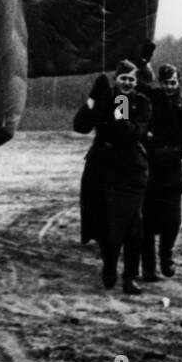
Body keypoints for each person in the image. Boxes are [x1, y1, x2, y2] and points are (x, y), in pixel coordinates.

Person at [73, 58, 151, 295]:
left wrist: (118, 107)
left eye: (131, 79)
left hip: (130, 170)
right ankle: (109, 265)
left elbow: (130, 133)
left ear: (136, 82)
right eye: (123, 79)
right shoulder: (104, 98)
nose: (127, 83)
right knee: (105, 223)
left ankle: (129, 277)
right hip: (103, 168)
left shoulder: (141, 102)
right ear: (116, 79)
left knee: (132, 224)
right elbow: (80, 126)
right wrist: (92, 98)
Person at [142, 63, 182, 280]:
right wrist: (144, 63)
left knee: (172, 222)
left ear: (178, 83)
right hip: (148, 174)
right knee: (146, 222)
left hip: (171, 174)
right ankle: (148, 268)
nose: (169, 87)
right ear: (160, 83)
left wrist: (156, 151)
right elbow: (133, 85)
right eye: (165, 83)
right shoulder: (151, 99)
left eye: (173, 83)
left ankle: (166, 256)